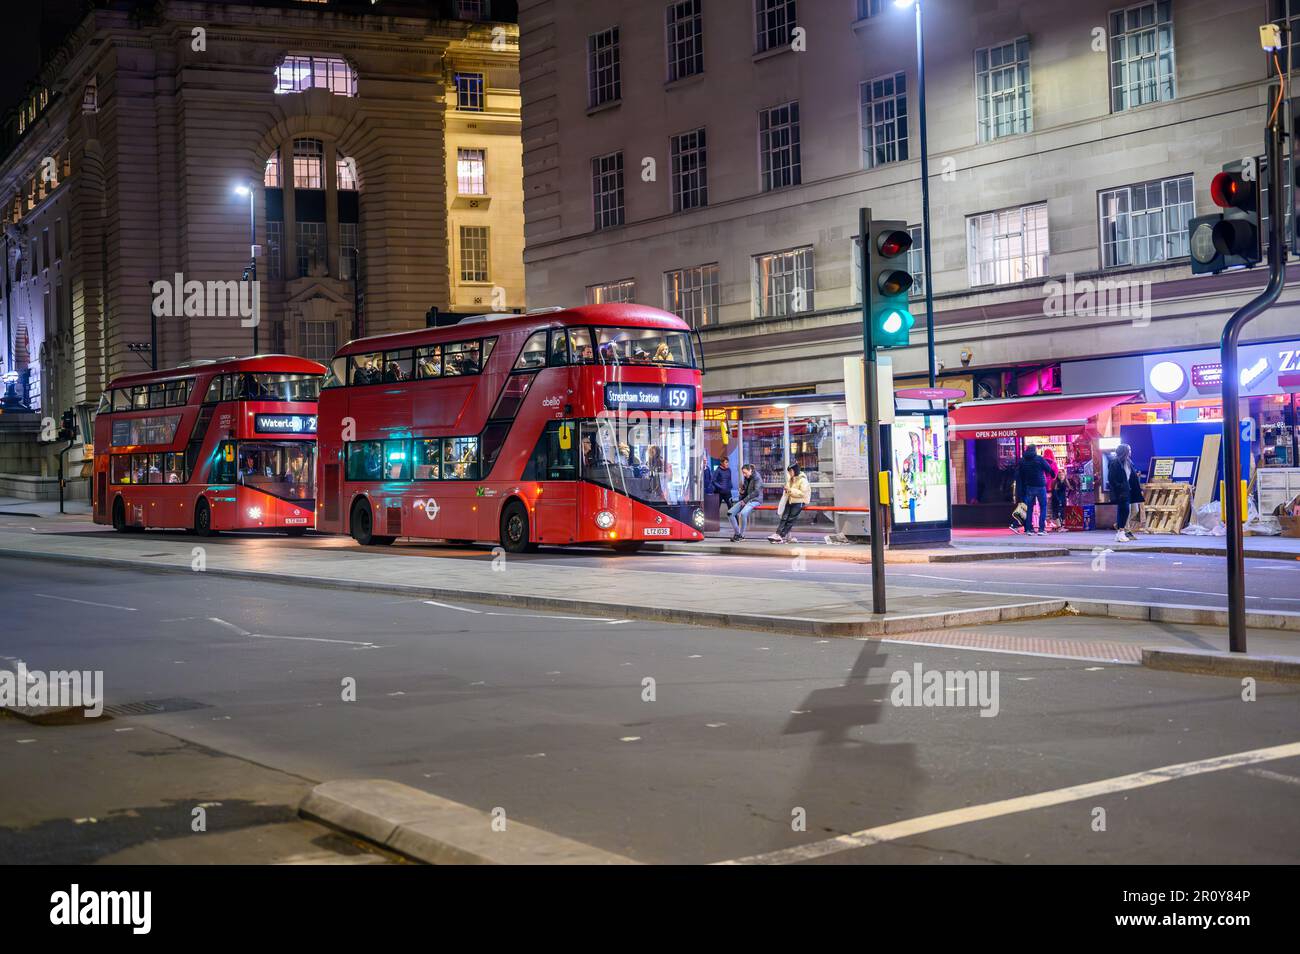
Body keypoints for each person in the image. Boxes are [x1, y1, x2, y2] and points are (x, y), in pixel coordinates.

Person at [1014, 444, 1053, 535]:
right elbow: (1048, 468)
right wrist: (1052, 474)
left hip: (1029, 486)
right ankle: (1041, 529)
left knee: (1029, 508)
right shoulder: (1039, 459)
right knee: (1043, 507)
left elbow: (1020, 474)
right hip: (1040, 486)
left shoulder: (1023, 460)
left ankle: (1028, 529)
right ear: (1035, 450)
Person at [769, 464, 810, 544]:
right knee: (784, 518)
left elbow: (803, 493)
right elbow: (789, 489)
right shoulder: (791, 479)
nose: (789, 473)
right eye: (789, 471)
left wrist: (790, 490)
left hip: (799, 502)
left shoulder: (803, 480)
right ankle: (777, 534)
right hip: (790, 500)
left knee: (790, 519)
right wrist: (787, 490)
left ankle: (781, 536)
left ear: (795, 471)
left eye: (790, 471)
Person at [727, 464, 761, 541]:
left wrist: (745, 500)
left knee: (743, 514)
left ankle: (741, 535)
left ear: (750, 470)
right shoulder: (747, 478)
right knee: (730, 513)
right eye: (743, 473)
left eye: (745, 473)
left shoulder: (757, 477)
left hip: (755, 500)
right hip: (746, 499)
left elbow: (756, 492)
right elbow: (746, 491)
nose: (744, 475)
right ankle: (737, 533)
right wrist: (742, 493)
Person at [711, 457, 734, 522]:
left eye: (728, 462)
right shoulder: (717, 470)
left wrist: (730, 486)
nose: (727, 464)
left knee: (732, 508)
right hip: (719, 493)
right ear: (721, 463)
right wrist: (720, 487)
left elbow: (729, 479)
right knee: (716, 508)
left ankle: (736, 523)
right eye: (726, 462)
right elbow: (713, 481)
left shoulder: (729, 470)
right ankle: (713, 523)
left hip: (727, 492)